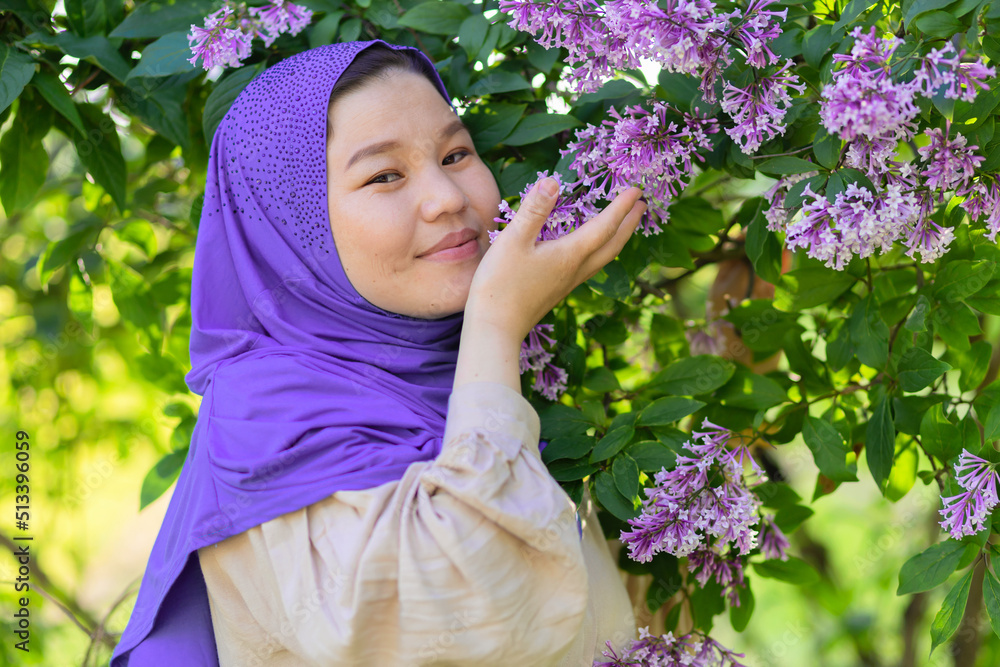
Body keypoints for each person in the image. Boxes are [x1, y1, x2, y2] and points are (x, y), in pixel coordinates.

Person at [110, 39, 647, 666]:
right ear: (291, 225)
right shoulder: (267, 418)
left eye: (456, 153)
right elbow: (473, 625)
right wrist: (496, 326)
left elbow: (590, 621)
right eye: (384, 175)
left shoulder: (465, 382)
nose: (447, 196)